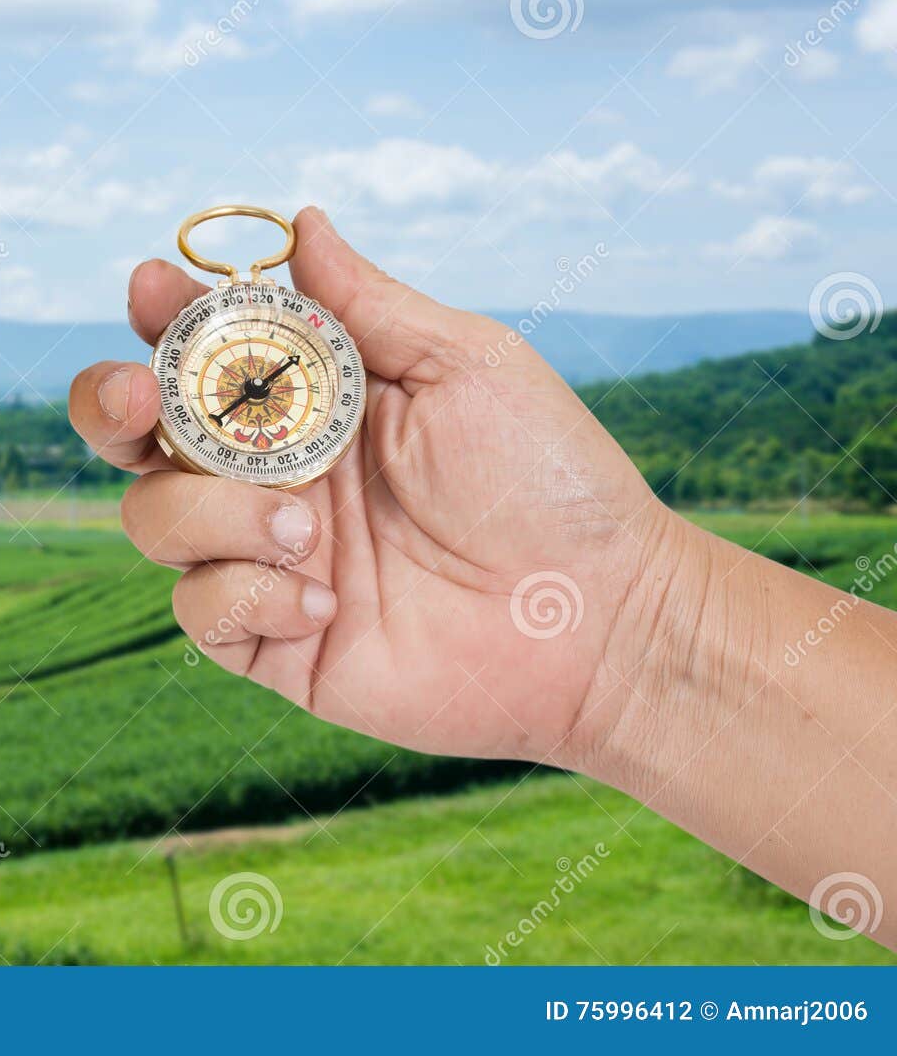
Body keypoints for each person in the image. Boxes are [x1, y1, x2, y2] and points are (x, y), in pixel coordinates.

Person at [68, 206, 895, 952]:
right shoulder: (295, 366)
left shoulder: (289, 368)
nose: (257, 389)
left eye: (268, 384)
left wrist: (628, 625)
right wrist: (625, 630)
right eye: (250, 389)